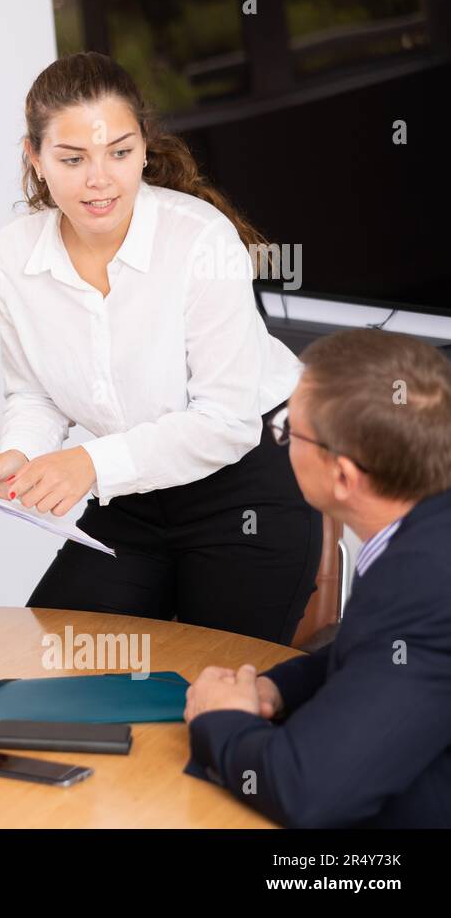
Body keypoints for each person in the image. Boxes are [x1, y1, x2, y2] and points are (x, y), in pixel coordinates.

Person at [0, 51, 318, 643]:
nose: (99, 179)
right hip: (132, 496)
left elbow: (227, 423)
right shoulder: (13, 254)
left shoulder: (200, 237)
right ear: (35, 157)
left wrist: (89, 464)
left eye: (120, 153)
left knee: (212, 695)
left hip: (246, 487)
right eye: (72, 159)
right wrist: (17, 454)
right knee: (49, 665)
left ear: (145, 148)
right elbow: (34, 392)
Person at [184, 329, 451, 827]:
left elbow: (306, 792)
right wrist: (280, 688)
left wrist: (220, 717)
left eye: (288, 429)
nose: (279, 440)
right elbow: (382, 649)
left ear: (344, 476)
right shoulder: (427, 537)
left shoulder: (422, 586)